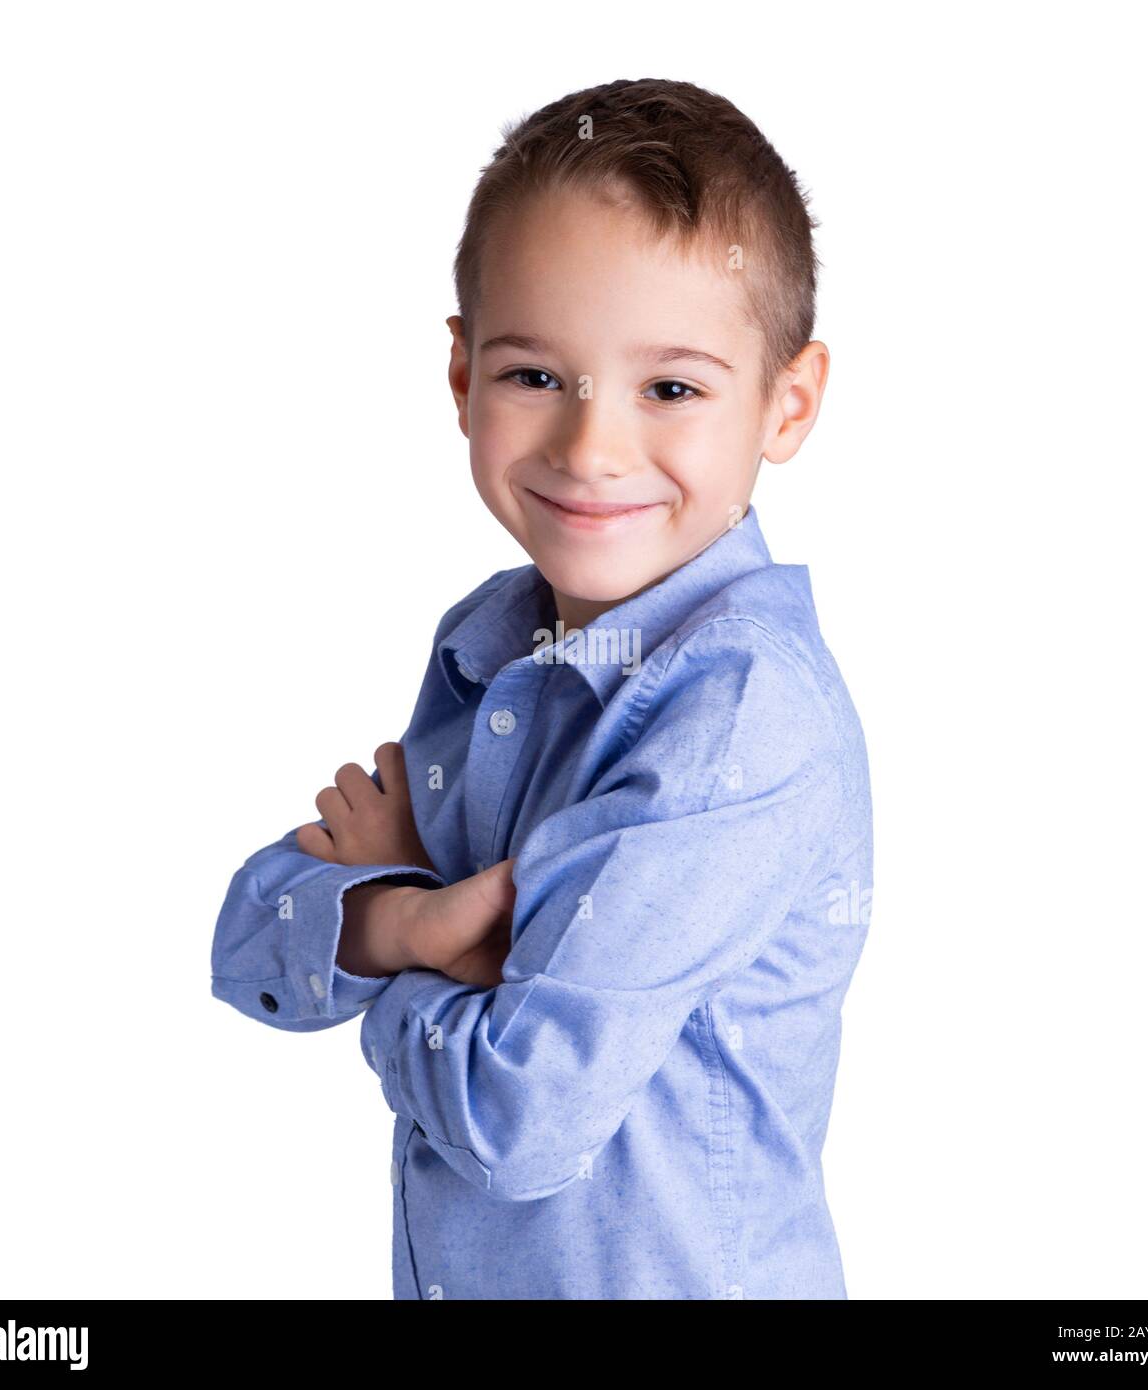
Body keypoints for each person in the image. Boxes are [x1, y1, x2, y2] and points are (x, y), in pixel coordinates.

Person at [210, 76, 873, 1300]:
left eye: (669, 388)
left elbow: (518, 1114)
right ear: (461, 375)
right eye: (533, 376)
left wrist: (395, 952)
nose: (589, 448)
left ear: (787, 403)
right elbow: (250, 935)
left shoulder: (734, 715)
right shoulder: (495, 640)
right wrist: (421, 922)